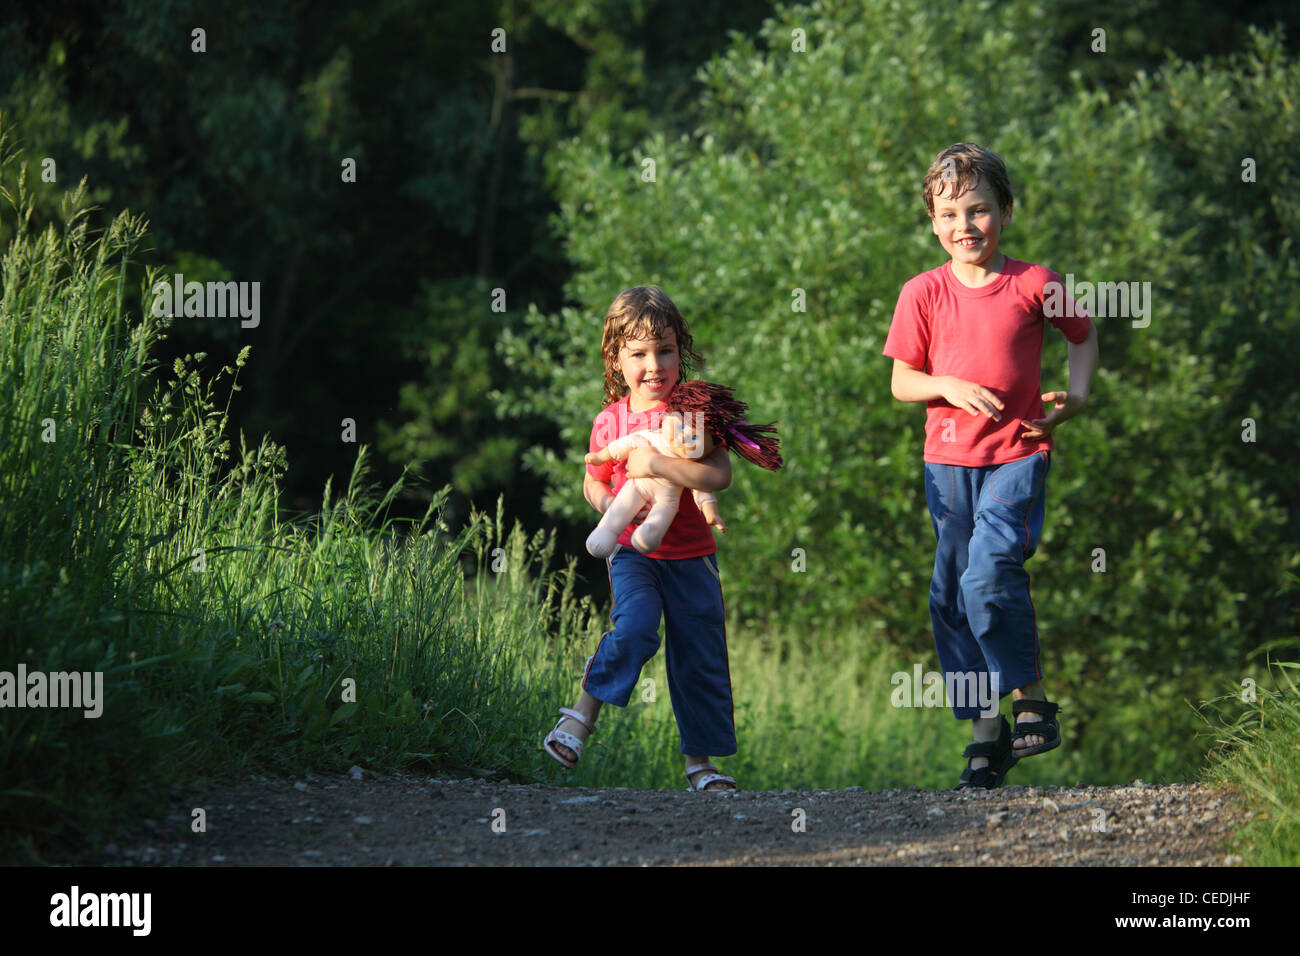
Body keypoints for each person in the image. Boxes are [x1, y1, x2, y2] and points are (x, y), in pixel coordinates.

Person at [883, 143, 1099, 788]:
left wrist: (1076, 398)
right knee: (950, 597)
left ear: (1006, 211)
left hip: (1018, 453)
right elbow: (902, 381)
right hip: (947, 464)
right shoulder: (922, 292)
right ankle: (987, 733)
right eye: (949, 214)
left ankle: (1032, 700)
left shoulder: (1035, 283)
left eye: (978, 210)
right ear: (932, 222)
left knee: (988, 573)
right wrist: (945, 385)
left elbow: (1083, 335)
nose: (965, 225)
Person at [542, 285, 740, 791]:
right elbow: (592, 479)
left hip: (693, 557)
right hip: (633, 552)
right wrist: (611, 506)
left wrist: (657, 465)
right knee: (634, 630)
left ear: (681, 351)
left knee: (700, 655)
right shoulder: (610, 422)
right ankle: (580, 716)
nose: (655, 366)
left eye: (666, 350)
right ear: (616, 359)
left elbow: (719, 475)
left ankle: (701, 765)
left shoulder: (695, 409)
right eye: (639, 354)